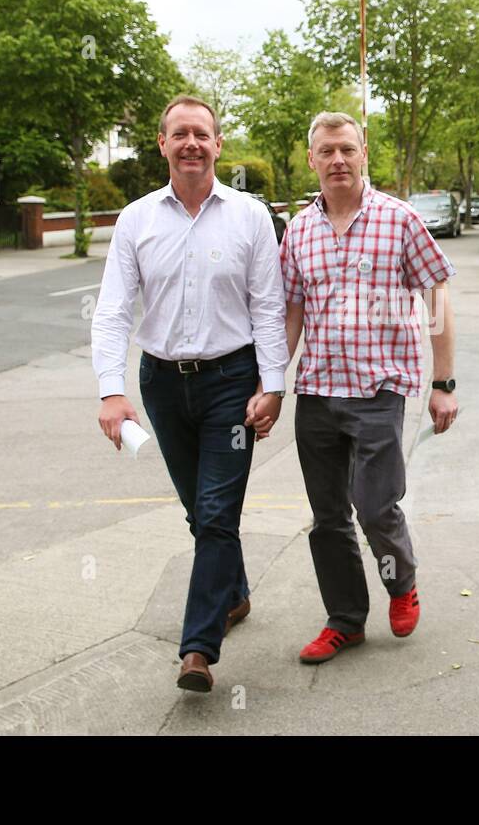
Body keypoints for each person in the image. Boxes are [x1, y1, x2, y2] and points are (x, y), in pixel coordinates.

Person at [91, 95, 288, 694]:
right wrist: (111, 390)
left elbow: (269, 307)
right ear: (162, 144)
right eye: (180, 134)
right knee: (201, 512)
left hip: (231, 382)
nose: (191, 144)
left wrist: (273, 385)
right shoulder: (137, 219)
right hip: (162, 384)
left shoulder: (251, 216)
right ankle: (236, 593)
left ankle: (198, 648)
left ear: (218, 144)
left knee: (217, 511)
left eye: (202, 134)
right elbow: (114, 309)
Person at [280, 111, 460, 665]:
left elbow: (437, 297)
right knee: (328, 516)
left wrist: (443, 382)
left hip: (381, 390)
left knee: (376, 506)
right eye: (327, 151)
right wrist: (271, 383)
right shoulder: (298, 230)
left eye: (347, 150)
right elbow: (291, 311)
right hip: (316, 392)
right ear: (311, 159)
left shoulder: (399, 220)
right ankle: (344, 621)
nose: (338, 160)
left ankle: (401, 583)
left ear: (364, 155)